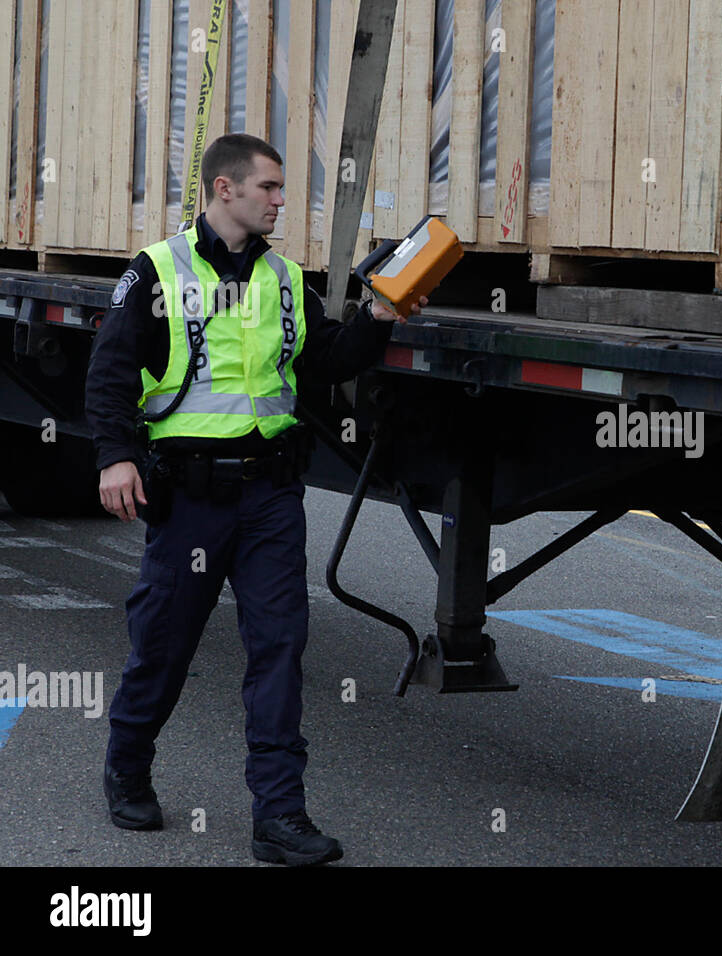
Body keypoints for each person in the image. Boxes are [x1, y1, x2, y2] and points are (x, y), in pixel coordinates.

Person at [85, 132, 426, 866]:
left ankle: (280, 817)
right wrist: (116, 457)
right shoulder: (157, 271)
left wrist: (379, 322)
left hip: (272, 494)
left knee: (279, 649)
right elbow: (109, 373)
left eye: (280, 188)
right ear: (224, 190)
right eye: (269, 187)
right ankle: (127, 764)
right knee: (165, 647)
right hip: (190, 498)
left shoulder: (280, 277)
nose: (280, 201)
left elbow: (322, 361)